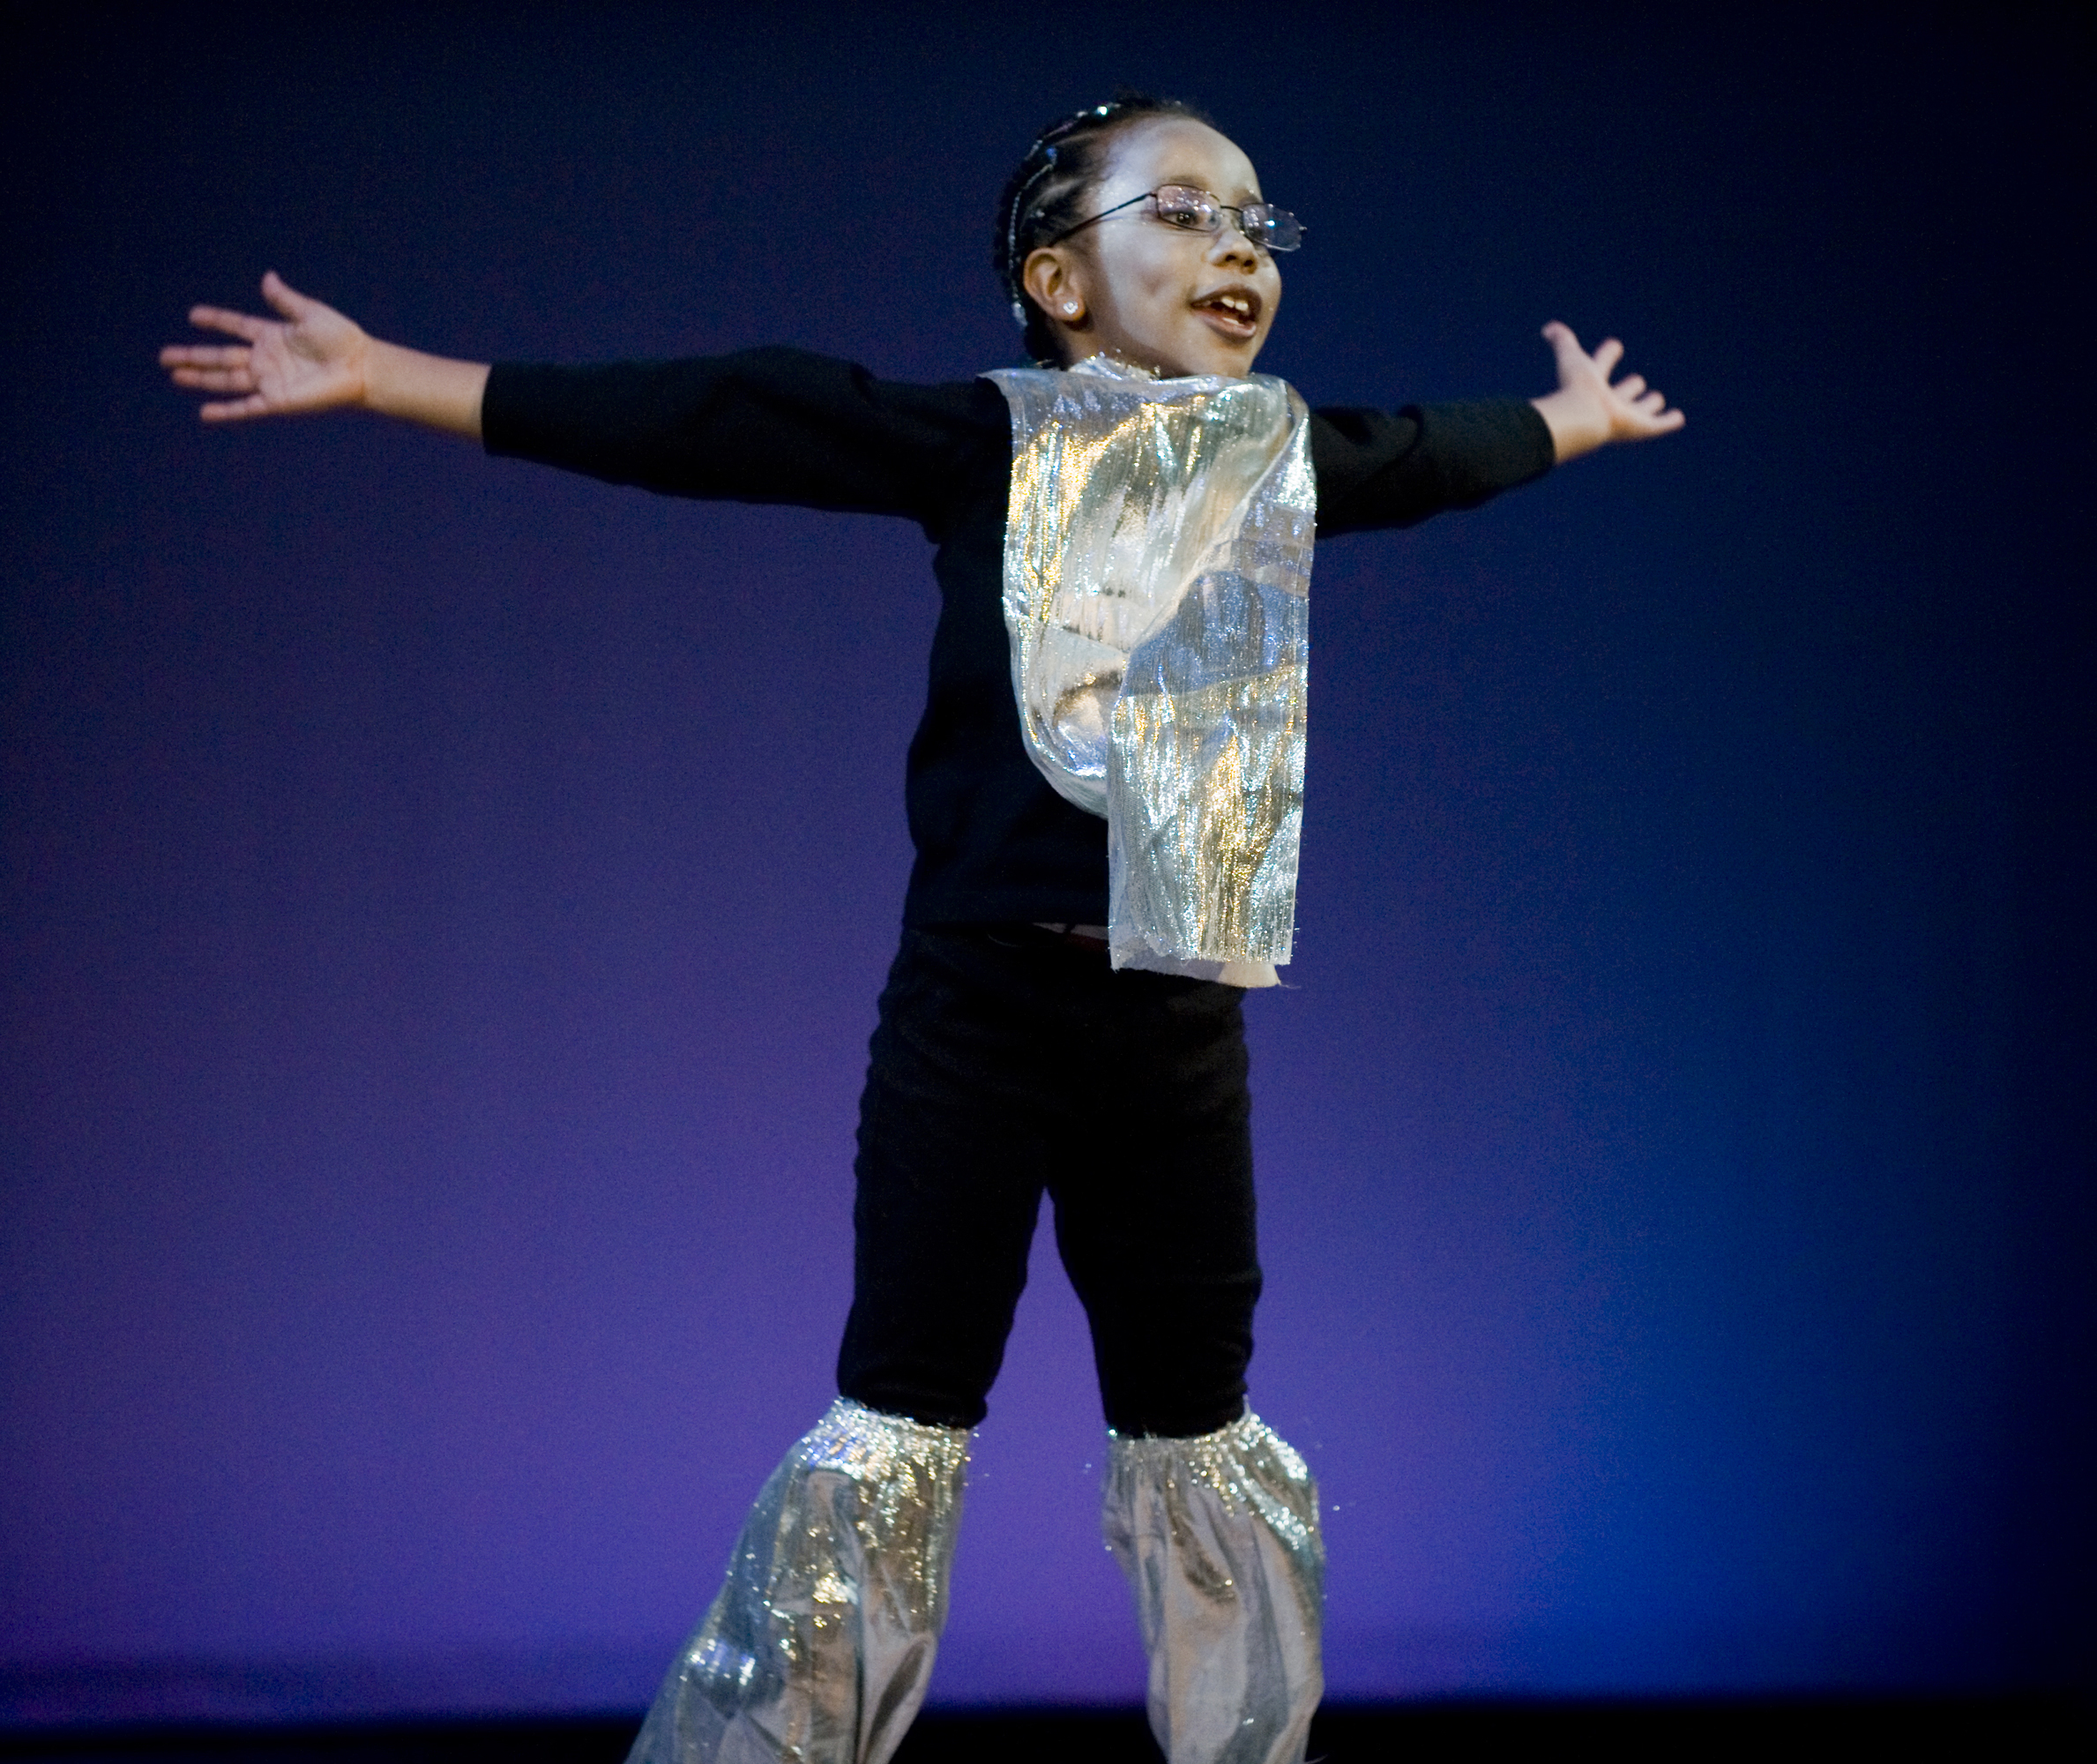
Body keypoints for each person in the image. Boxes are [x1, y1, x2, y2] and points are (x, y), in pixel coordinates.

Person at [162, 94, 1682, 1764]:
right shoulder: (987, 441)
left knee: (1198, 1418)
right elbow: (727, 418)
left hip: (1178, 1023)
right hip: (980, 1008)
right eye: (1180, 211)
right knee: (905, 1408)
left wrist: (1572, 418)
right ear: (1058, 277)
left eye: (1257, 221)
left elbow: (1436, 453)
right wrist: (392, 375)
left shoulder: (1282, 459)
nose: (1238, 244)